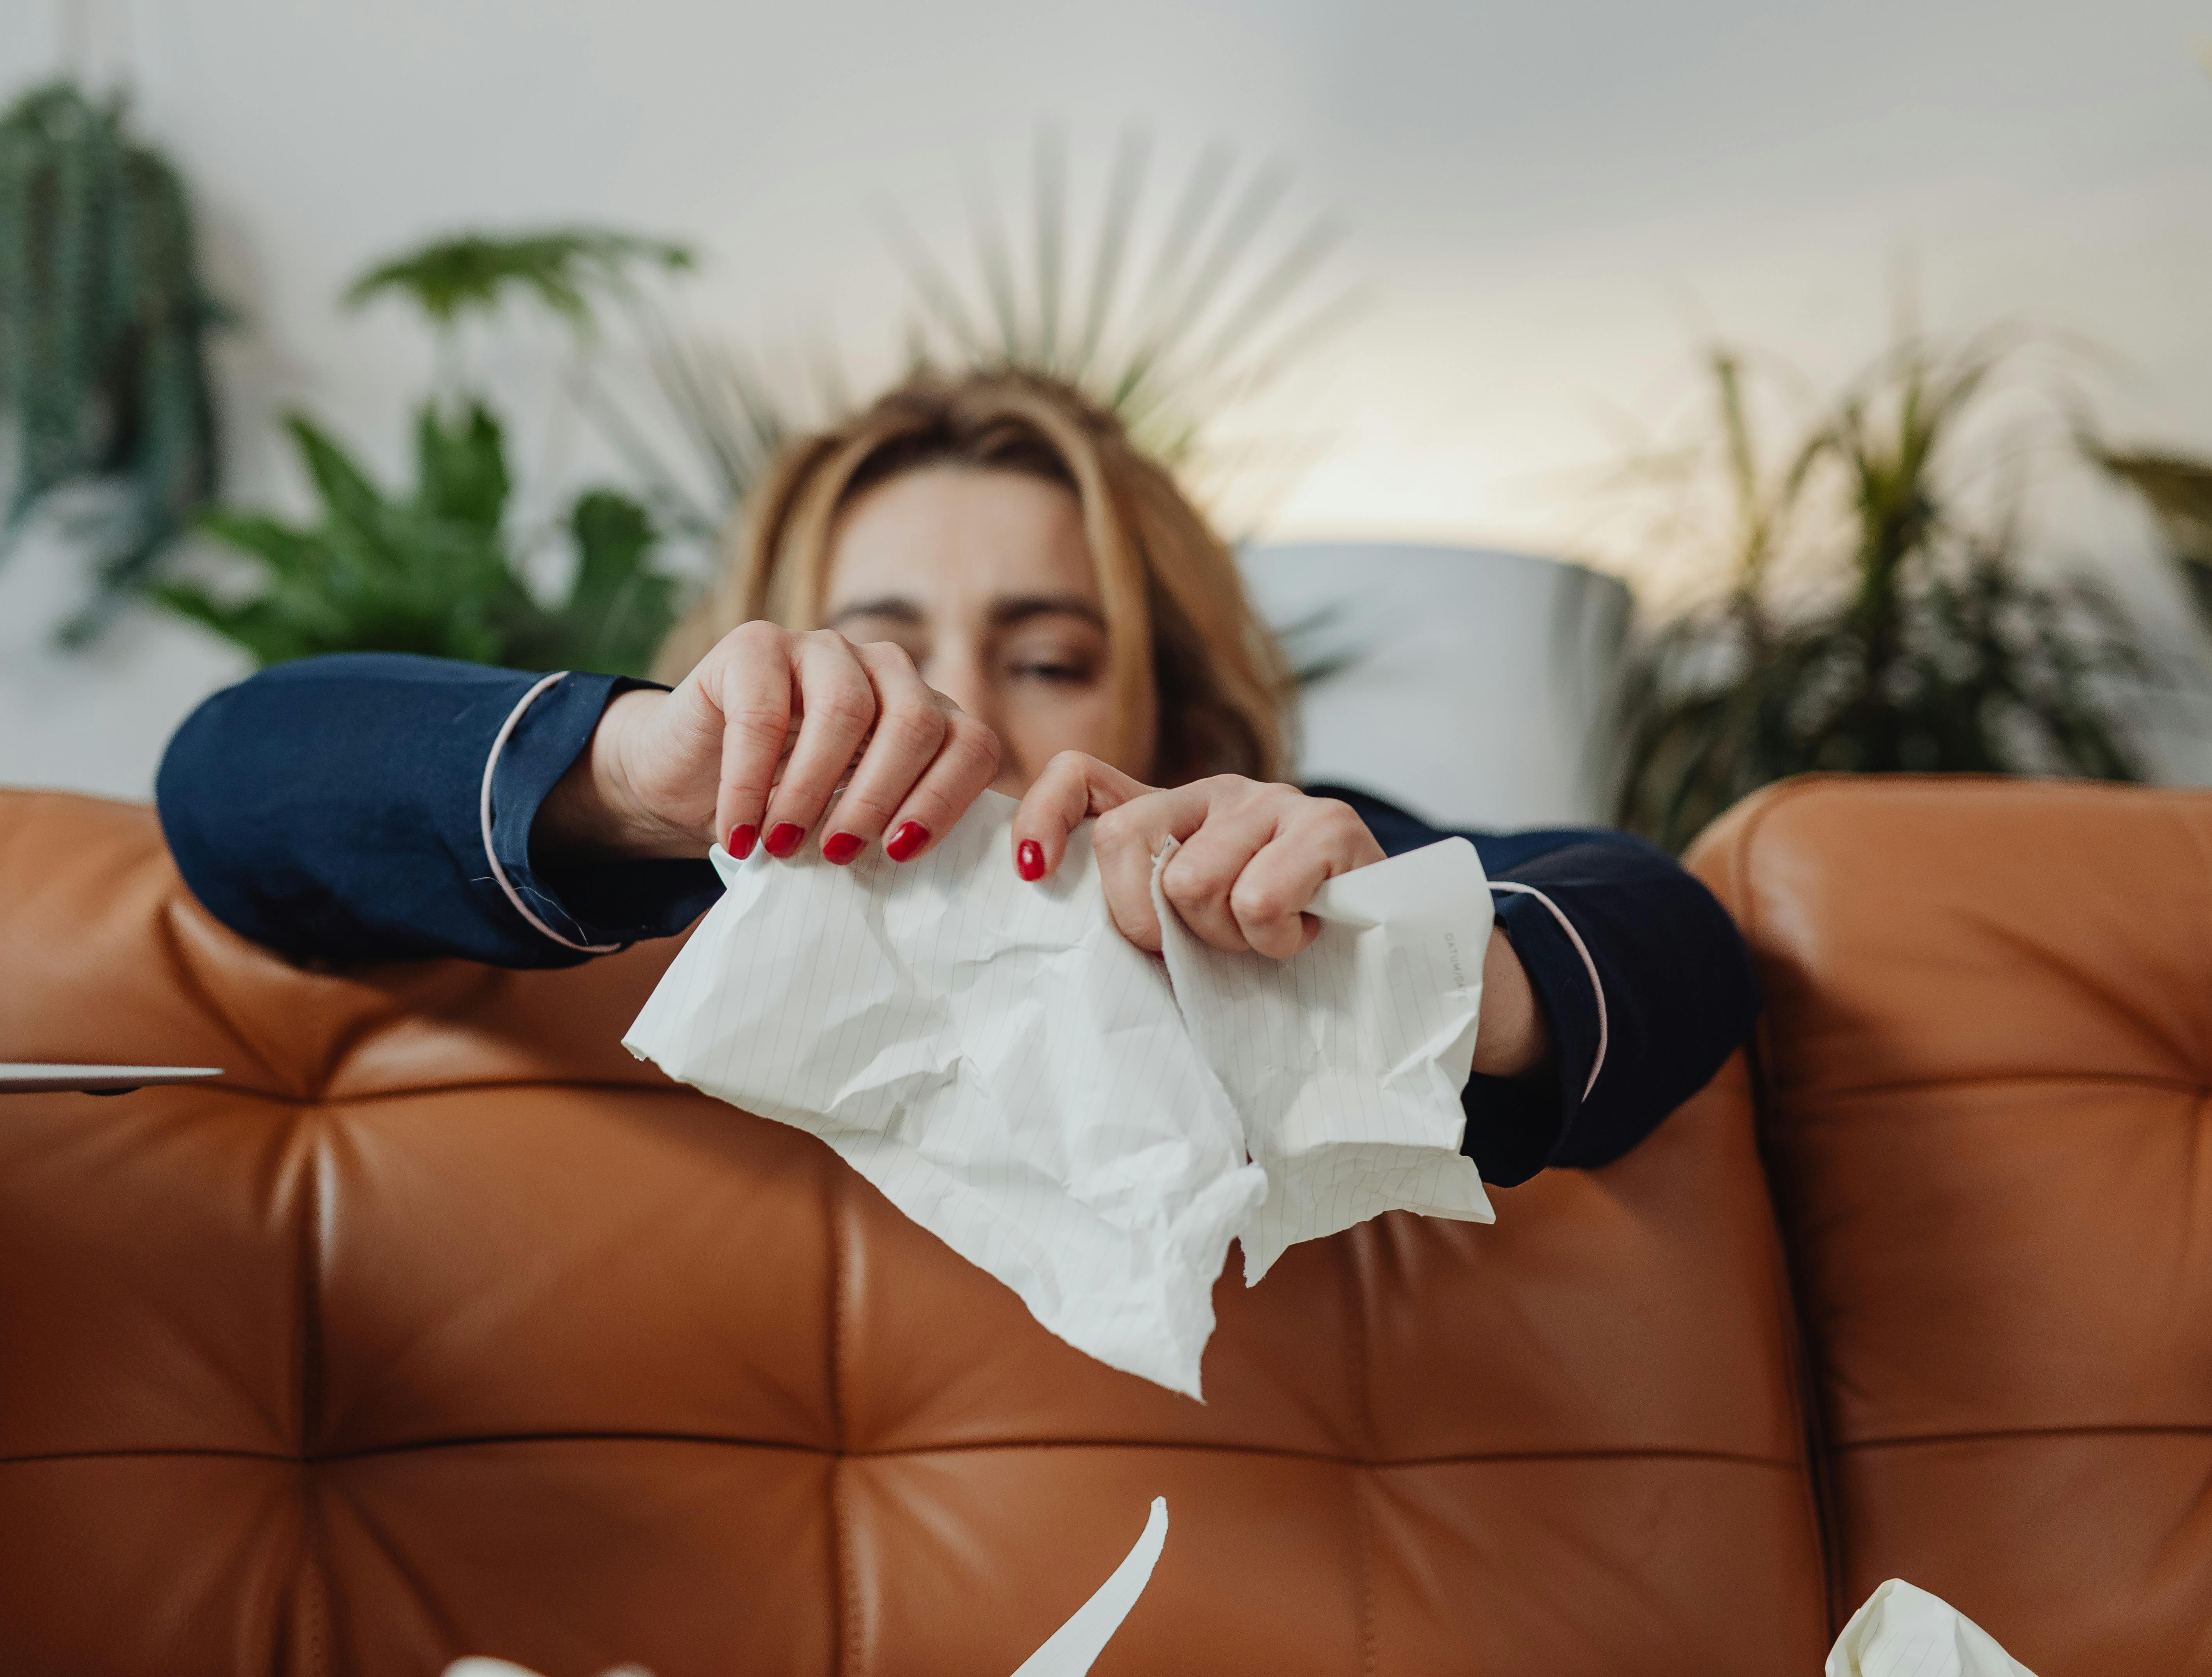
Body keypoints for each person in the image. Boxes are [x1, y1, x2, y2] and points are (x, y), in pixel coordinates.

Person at [157, 371, 1754, 1185]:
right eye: (880, 643)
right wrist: (632, 774)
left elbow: (1657, 921)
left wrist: (1394, 945)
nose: (956, 717)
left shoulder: (1267, 863)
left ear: (1172, 709)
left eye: (1050, 659)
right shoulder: (655, 867)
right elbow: (230, 788)